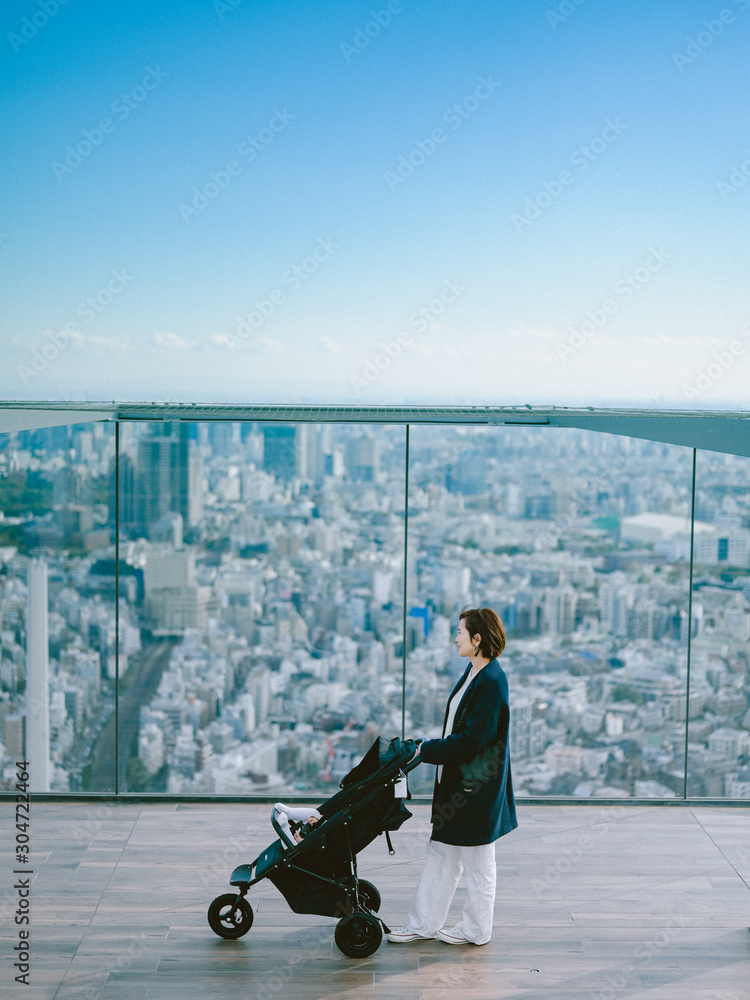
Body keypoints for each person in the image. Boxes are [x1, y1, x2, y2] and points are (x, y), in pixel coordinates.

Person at [387, 606, 517, 946]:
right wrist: (430, 749)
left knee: (478, 863)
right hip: (459, 785)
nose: (455, 638)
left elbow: (473, 740)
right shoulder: (475, 672)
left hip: (475, 789)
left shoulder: (491, 681)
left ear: (477, 639)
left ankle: (476, 930)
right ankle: (423, 924)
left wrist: (427, 750)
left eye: (460, 632)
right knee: (442, 854)